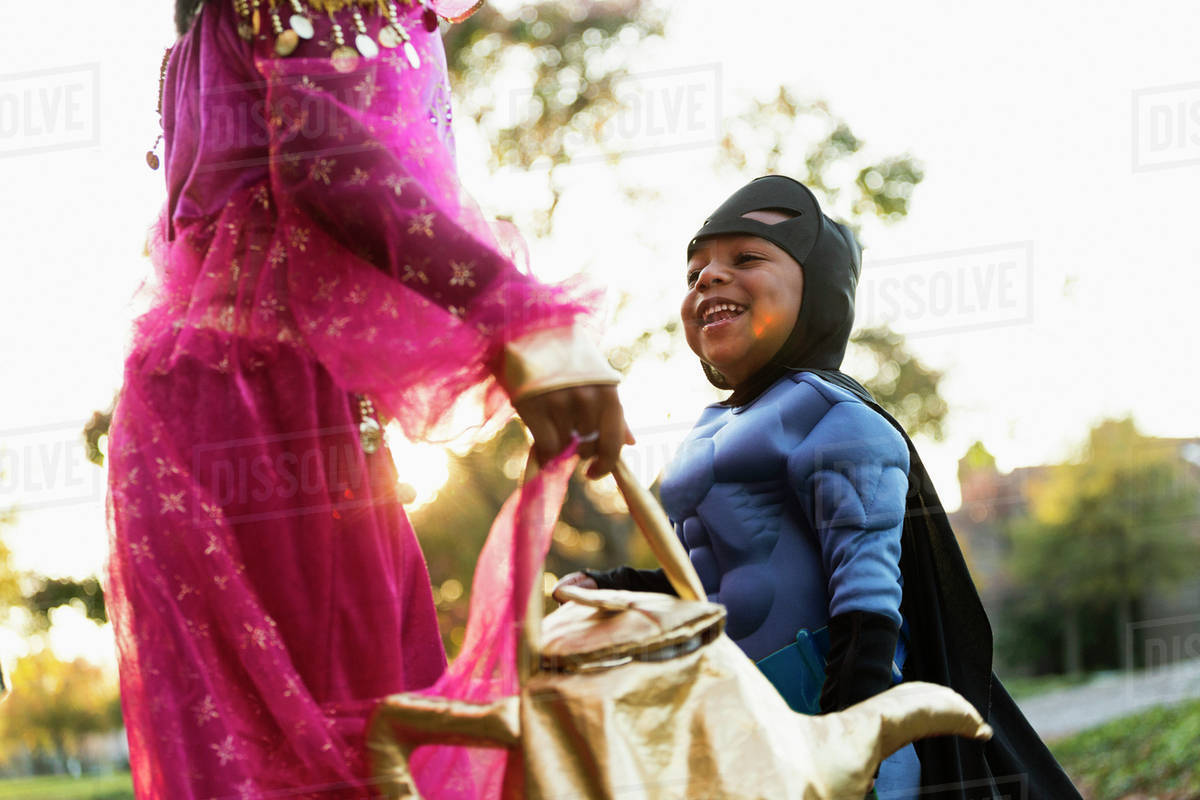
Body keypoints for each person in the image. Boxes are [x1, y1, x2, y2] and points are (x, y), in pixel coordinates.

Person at [106, 1, 630, 796]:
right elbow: (332, 159)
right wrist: (521, 316)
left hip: (228, 411)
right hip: (268, 414)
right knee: (354, 747)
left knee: (314, 751)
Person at [555, 175, 1082, 800]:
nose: (708, 279)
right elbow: (709, 588)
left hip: (842, 746)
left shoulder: (833, 417)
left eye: (746, 258)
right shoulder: (708, 431)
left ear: (817, 290)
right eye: (694, 272)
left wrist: (845, 744)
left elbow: (866, 608)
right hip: (740, 740)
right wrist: (615, 588)